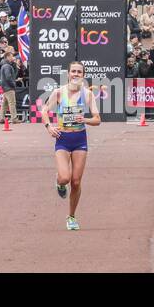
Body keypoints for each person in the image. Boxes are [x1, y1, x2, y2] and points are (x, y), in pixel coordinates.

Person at [42, 61, 101, 231]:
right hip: (62, 138)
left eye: (79, 72)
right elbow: (45, 110)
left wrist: (86, 120)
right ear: (68, 74)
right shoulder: (59, 92)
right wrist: (49, 127)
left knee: (75, 182)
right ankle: (59, 183)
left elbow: (97, 119)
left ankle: (72, 216)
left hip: (80, 139)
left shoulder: (88, 95)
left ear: (83, 75)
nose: (76, 74)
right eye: (73, 71)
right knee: (65, 178)